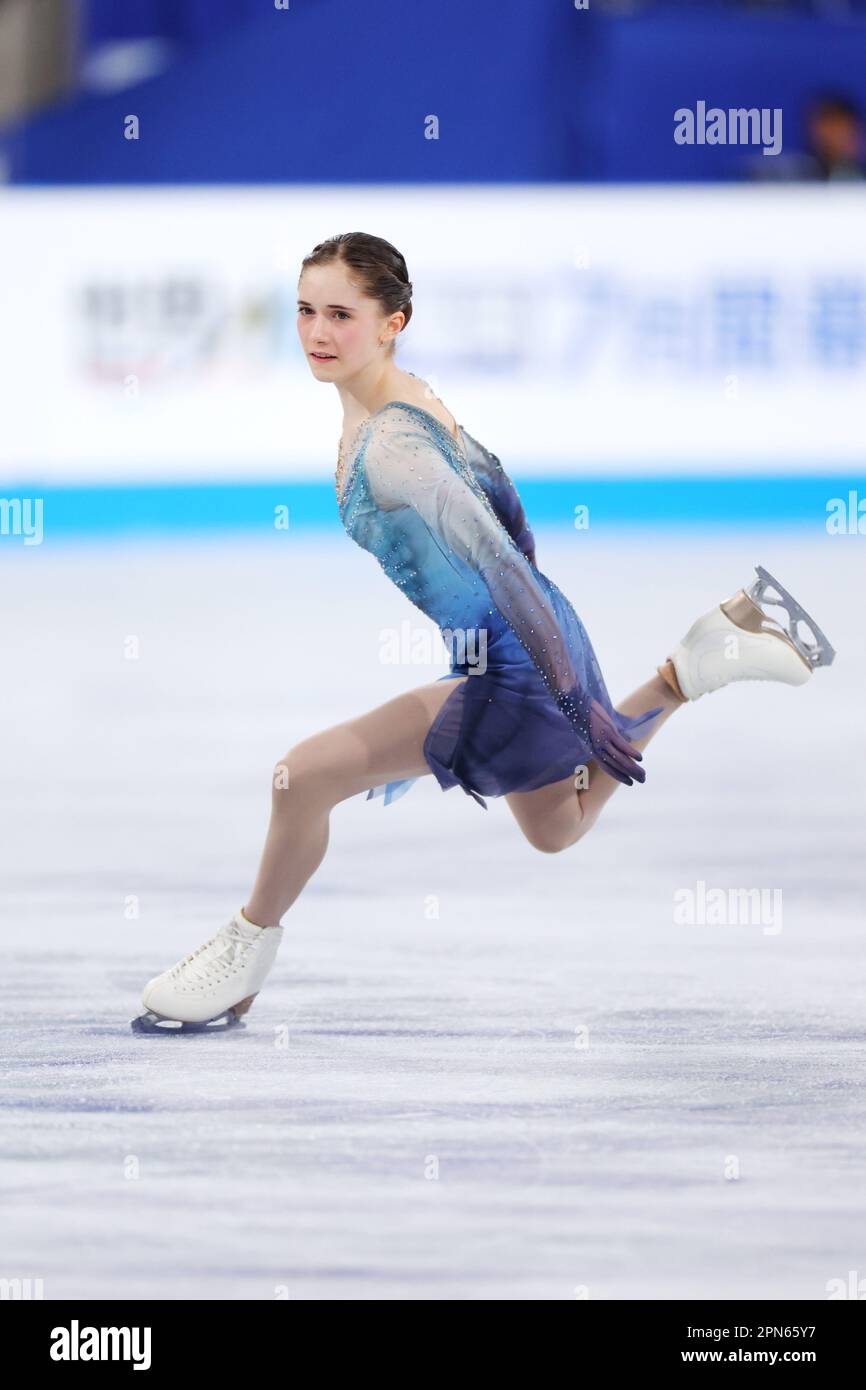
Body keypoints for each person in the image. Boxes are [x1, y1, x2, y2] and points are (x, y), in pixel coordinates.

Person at [134, 233, 835, 1033]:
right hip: (526, 640)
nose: (318, 333)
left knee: (304, 776)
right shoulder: (405, 398)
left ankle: (240, 958)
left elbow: (500, 563)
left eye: (341, 314)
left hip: (526, 658)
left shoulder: (394, 446)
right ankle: (689, 668)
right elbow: (506, 504)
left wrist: (568, 697)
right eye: (305, 311)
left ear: (393, 321)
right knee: (555, 827)